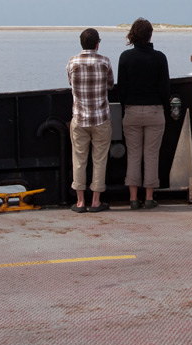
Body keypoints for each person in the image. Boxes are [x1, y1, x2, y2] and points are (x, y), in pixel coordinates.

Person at [117, 18, 170, 210]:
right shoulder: (160, 58)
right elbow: (165, 88)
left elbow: (121, 88)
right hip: (154, 110)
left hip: (131, 110)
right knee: (151, 155)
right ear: (150, 35)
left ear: (132, 34)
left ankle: (133, 198)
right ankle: (148, 197)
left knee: (133, 155)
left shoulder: (125, 57)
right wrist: (163, 107)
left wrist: (127, 105)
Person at [67, 28, 114, 213]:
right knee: (99, 160)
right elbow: (110, 84)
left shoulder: (73, 62)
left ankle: (80, 202)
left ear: (81, 43)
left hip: (79, 117)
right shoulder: (104, 62)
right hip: (101, 117)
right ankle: (95, 201)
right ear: (97, 44)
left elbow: (70, 82)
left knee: (79, 159)